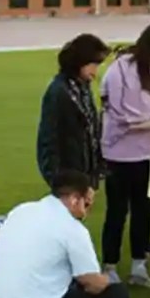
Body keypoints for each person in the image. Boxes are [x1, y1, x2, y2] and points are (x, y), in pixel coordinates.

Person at [0, 170, 131, 298]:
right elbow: (93, 284)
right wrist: (107, 279)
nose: (86, 212)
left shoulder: (20, 210)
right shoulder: (72, 228)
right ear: (75, 199)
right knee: (118, 294)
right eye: (87, 204)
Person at [99, 21, 150, 287]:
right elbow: (121, 118)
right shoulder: (119, 71)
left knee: (144, 210)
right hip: (119, 155)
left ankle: (139, 266)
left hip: (149, 154)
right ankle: (109, 266)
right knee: (116, 212)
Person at [37, 34, 110, 191]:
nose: (95, 72)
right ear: (81, 61)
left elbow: (91, 131)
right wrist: (56, 179)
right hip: (68, 178)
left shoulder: (82, 88)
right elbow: (48, 139)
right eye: (93, 64)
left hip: (84, 176)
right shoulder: (59, 92)